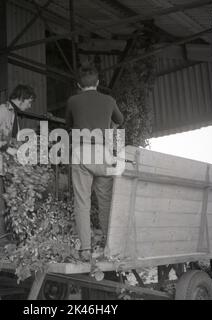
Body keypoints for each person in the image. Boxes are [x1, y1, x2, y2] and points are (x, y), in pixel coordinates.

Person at [65, 65, 124, 261]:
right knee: (106, 202)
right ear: (98, 83)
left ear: (78, 84)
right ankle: (110, 246)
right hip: (104, 154)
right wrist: (108, 127)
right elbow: (120, 119)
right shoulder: (109, 100)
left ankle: (86, 249)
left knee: (82, 202)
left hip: (81, 153)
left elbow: (68, 125)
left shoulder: (73, 101)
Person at [0, 84, 36, 249]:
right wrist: (4, 147)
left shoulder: (12, 113)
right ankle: (3, 245)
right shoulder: (1, 111)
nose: (30, 105)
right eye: (29, 101)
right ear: (22, 98)